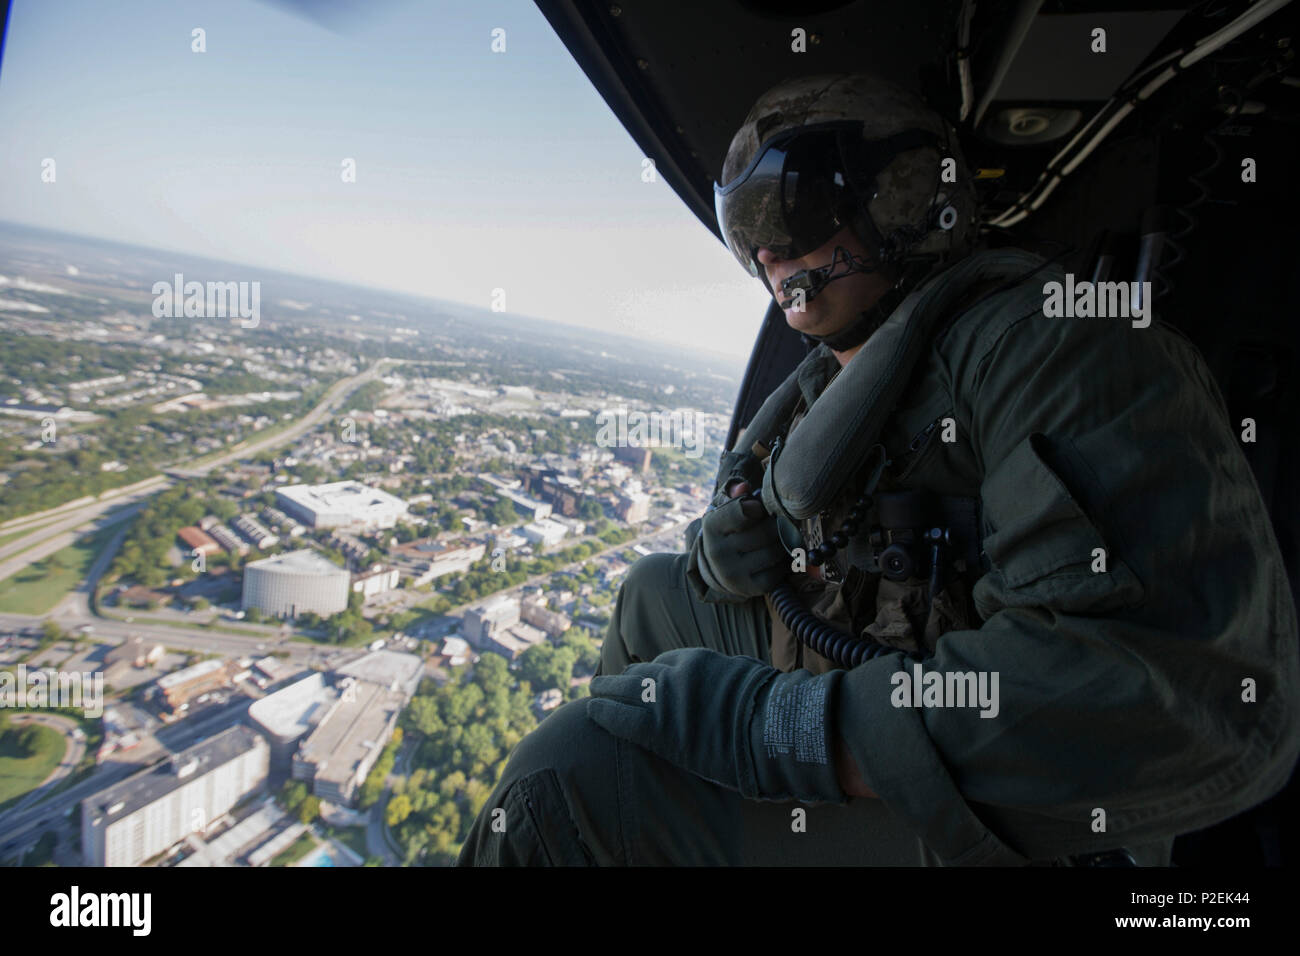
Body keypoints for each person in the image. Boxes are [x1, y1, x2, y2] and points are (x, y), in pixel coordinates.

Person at [456, 73, 1299, 866]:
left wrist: (784, 730)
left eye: (792, 213)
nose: (769, 255)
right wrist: (728, 555)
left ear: (905, 202)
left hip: (1026, 810)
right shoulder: (853, 378)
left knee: (554, 790)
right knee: (655, 591)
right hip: (887, 663)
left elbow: (1177, 701)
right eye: (746, 232)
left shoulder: (1064, 354)